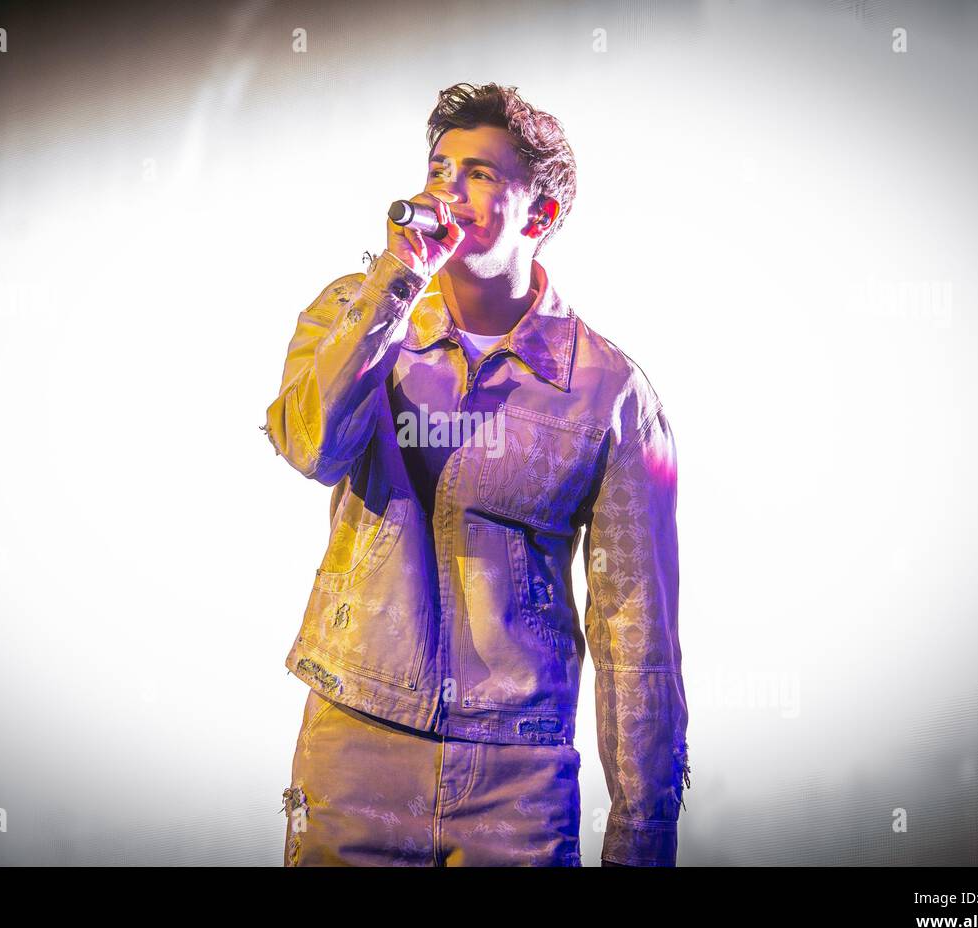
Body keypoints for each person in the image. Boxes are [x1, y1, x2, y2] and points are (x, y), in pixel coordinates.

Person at [263, 82, 689, 866]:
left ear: (542, 215)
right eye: (438, 167)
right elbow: (311, 446)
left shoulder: (609, 392)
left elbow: (636, 631)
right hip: (358, 741)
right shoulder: (354, 313)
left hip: (518, 775)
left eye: (480, 174)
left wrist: (643, 832)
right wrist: (395, 283)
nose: (447, 189)